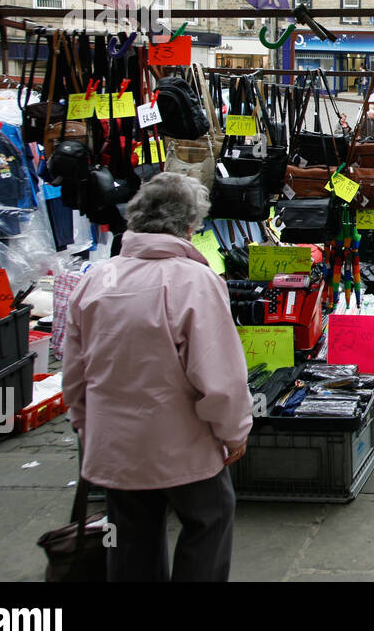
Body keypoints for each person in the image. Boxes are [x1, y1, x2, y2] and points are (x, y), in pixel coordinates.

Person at [62, 173, 252, 582]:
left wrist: (83, 424)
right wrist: (234, 431)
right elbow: (219, 377)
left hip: (114, 443)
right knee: (210, 519)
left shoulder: (96, 279)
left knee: (130, 537)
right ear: (189, 226)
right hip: (181, 444)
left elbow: (74, 370)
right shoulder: (194, 281)